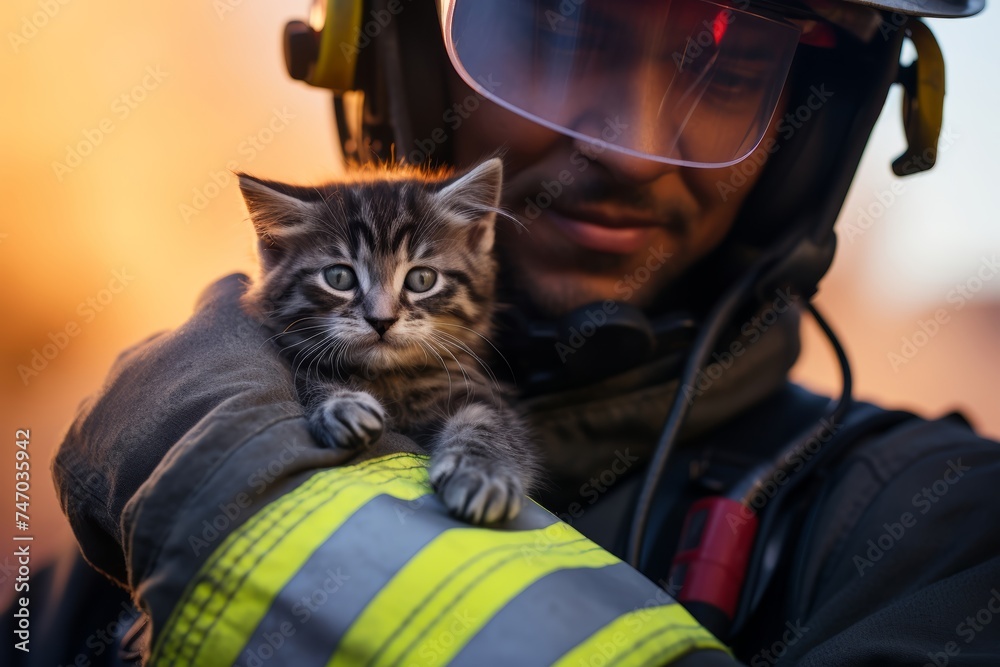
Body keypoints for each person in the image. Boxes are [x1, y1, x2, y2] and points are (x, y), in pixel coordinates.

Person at [15, 0, 1000, 665]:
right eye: (560, 30)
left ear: (813, 137)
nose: (626, 142)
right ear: (392, 52)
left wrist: (266, 525)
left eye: (728, 67)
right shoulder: (119, 546)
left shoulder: (939, 535)